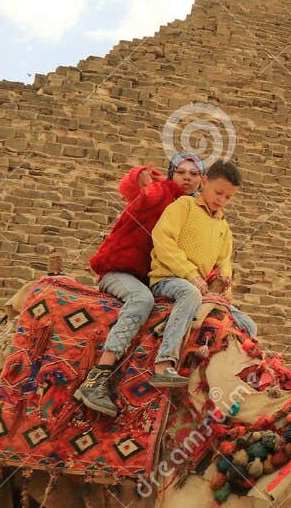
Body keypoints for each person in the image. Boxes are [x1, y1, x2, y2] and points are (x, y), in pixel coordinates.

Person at [74, 153, 203, 416]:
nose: (187, 178)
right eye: (181, 172)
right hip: (118, 272)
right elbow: (136, 194)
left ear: (202, 180)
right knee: (142, 300)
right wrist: (139, 179)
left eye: (194, 174)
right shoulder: (162, 193)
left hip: (152, 278)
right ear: (171, 174)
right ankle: (96, 379)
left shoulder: (196, 212)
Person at [149, 160, 254, 386]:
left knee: (247, 324)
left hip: (201, 287)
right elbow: (163, 240)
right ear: (204, 182)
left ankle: (233, 378)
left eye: (228, 197)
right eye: (218, 193)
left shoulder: (223, 227)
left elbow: (224, 262)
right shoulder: (184, 206)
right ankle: (164, 363)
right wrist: (191, 275)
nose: (222, 200)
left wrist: (223, 287)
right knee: (189, 294)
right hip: (167, 279)